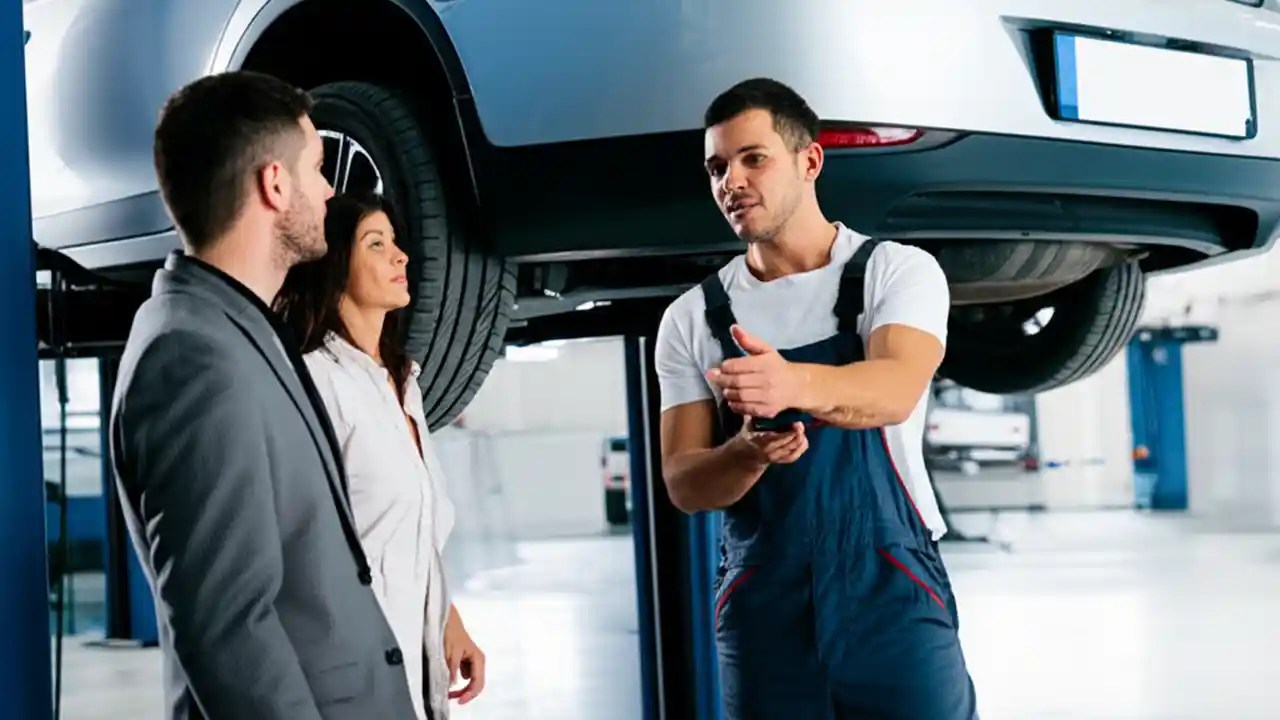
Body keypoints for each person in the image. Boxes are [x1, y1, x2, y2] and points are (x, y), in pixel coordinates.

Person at [655, 77, 980, 719]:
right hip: (762, 598)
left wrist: (793, 382)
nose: (732, 182)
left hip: (891, 583)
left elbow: (895, 388)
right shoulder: (694, 317)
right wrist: (747, 454)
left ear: (810, 161)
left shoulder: (895, 271)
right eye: (717, 167)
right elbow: (685, 483)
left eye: (754, 158)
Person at [108, 71, 418, 719]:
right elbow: (227, 627)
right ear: (274, 185)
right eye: (317, 169)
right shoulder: (192, 357)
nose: (330, 191)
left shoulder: (237, 329)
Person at [275, 192, 487, 720]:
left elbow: (409, 532)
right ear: (334, 265)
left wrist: (447, 619)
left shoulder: (402, 383)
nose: (402, 256)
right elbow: (300, 548)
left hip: (413, 678)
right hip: (347, 681)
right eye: (377, 244)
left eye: (395, 243)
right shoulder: (317, 383)